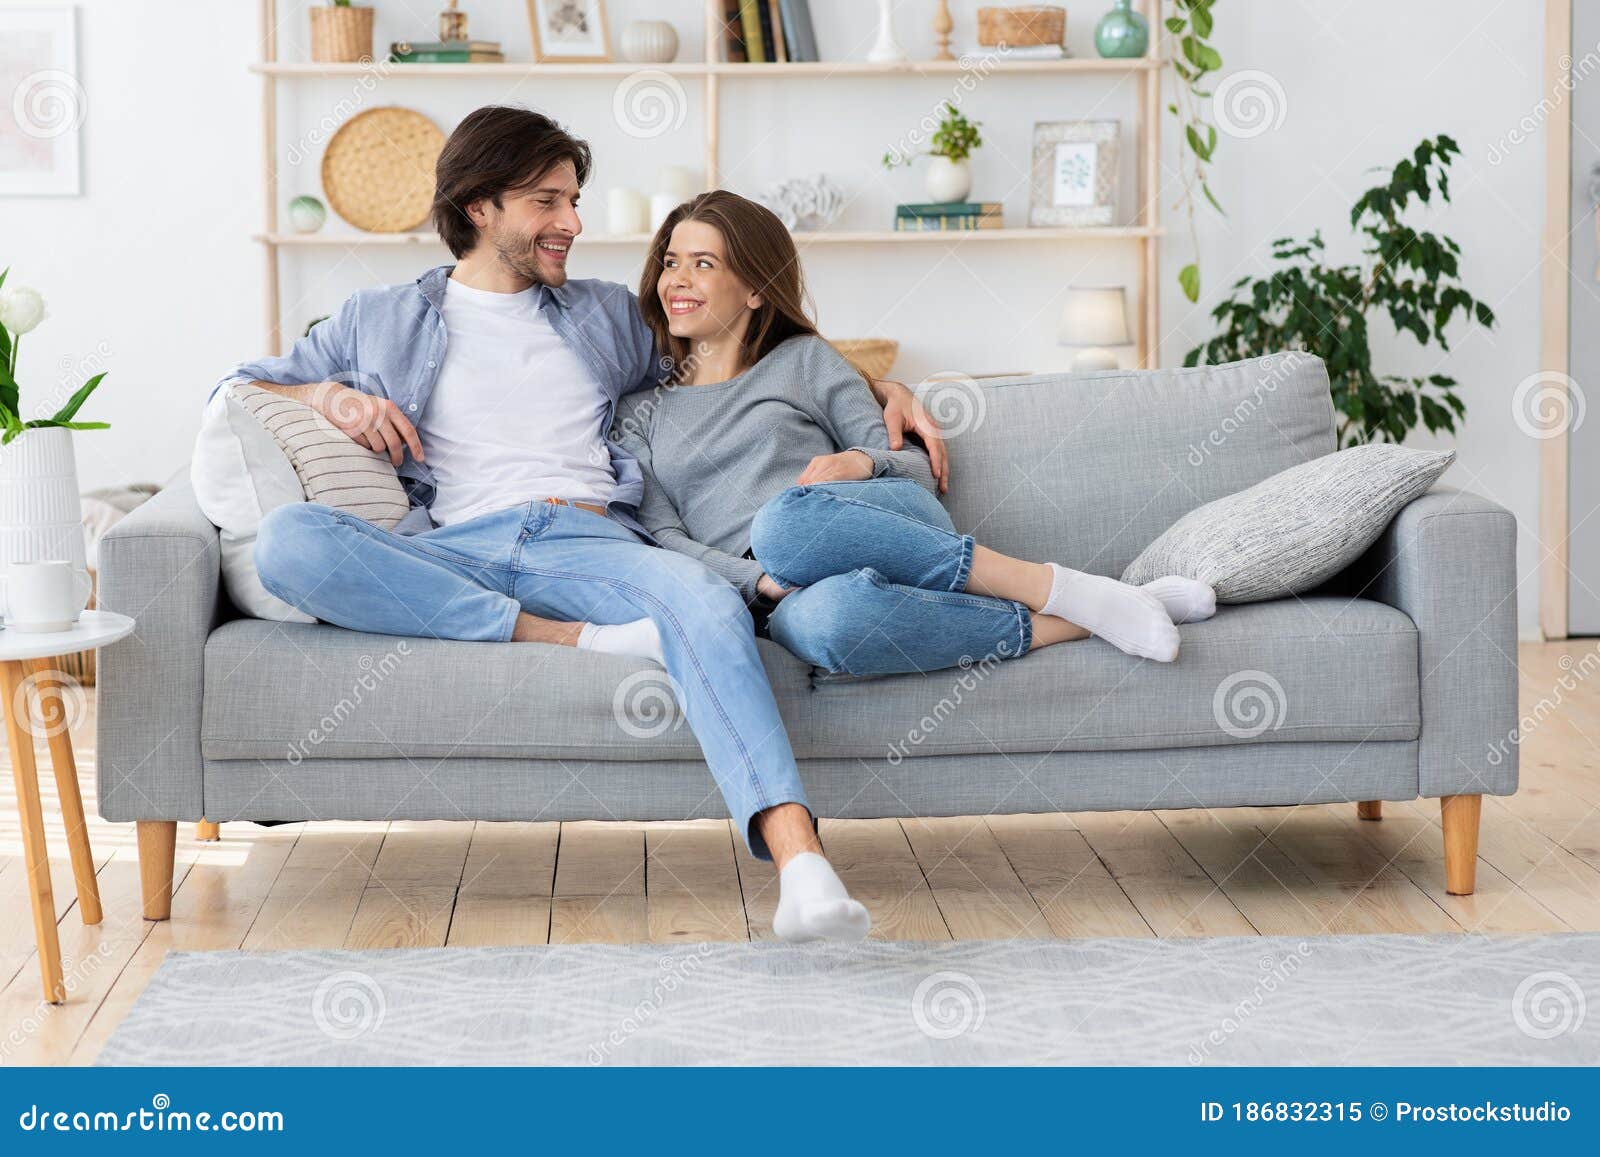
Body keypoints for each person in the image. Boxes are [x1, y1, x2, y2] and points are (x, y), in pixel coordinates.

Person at [222, 107, 945, 941]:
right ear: (480, 205)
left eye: (574, 200)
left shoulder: (606, 315)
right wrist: (329, 395)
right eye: (547, 202)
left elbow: (745, 342)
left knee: (707, 602)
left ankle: (803, 866)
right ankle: (568, 640)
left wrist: (881, 391)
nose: (571, 223)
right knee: (288, 540)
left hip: (590, 543)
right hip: (457, 548)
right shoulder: (377, 316)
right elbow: (243, 386)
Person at [613, 191, 1218, 678]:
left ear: (755, 288)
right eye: (671, 262)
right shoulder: (640, 414)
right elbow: (663, 538)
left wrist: (859, 462)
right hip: (779, 592)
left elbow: (919, 476)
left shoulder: (803, 361)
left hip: (867, 521)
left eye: (703, 263)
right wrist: (760, 582)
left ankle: (1049, 583)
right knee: (832, 627)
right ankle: (1096, 611)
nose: (678, 279)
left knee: (782, 523)